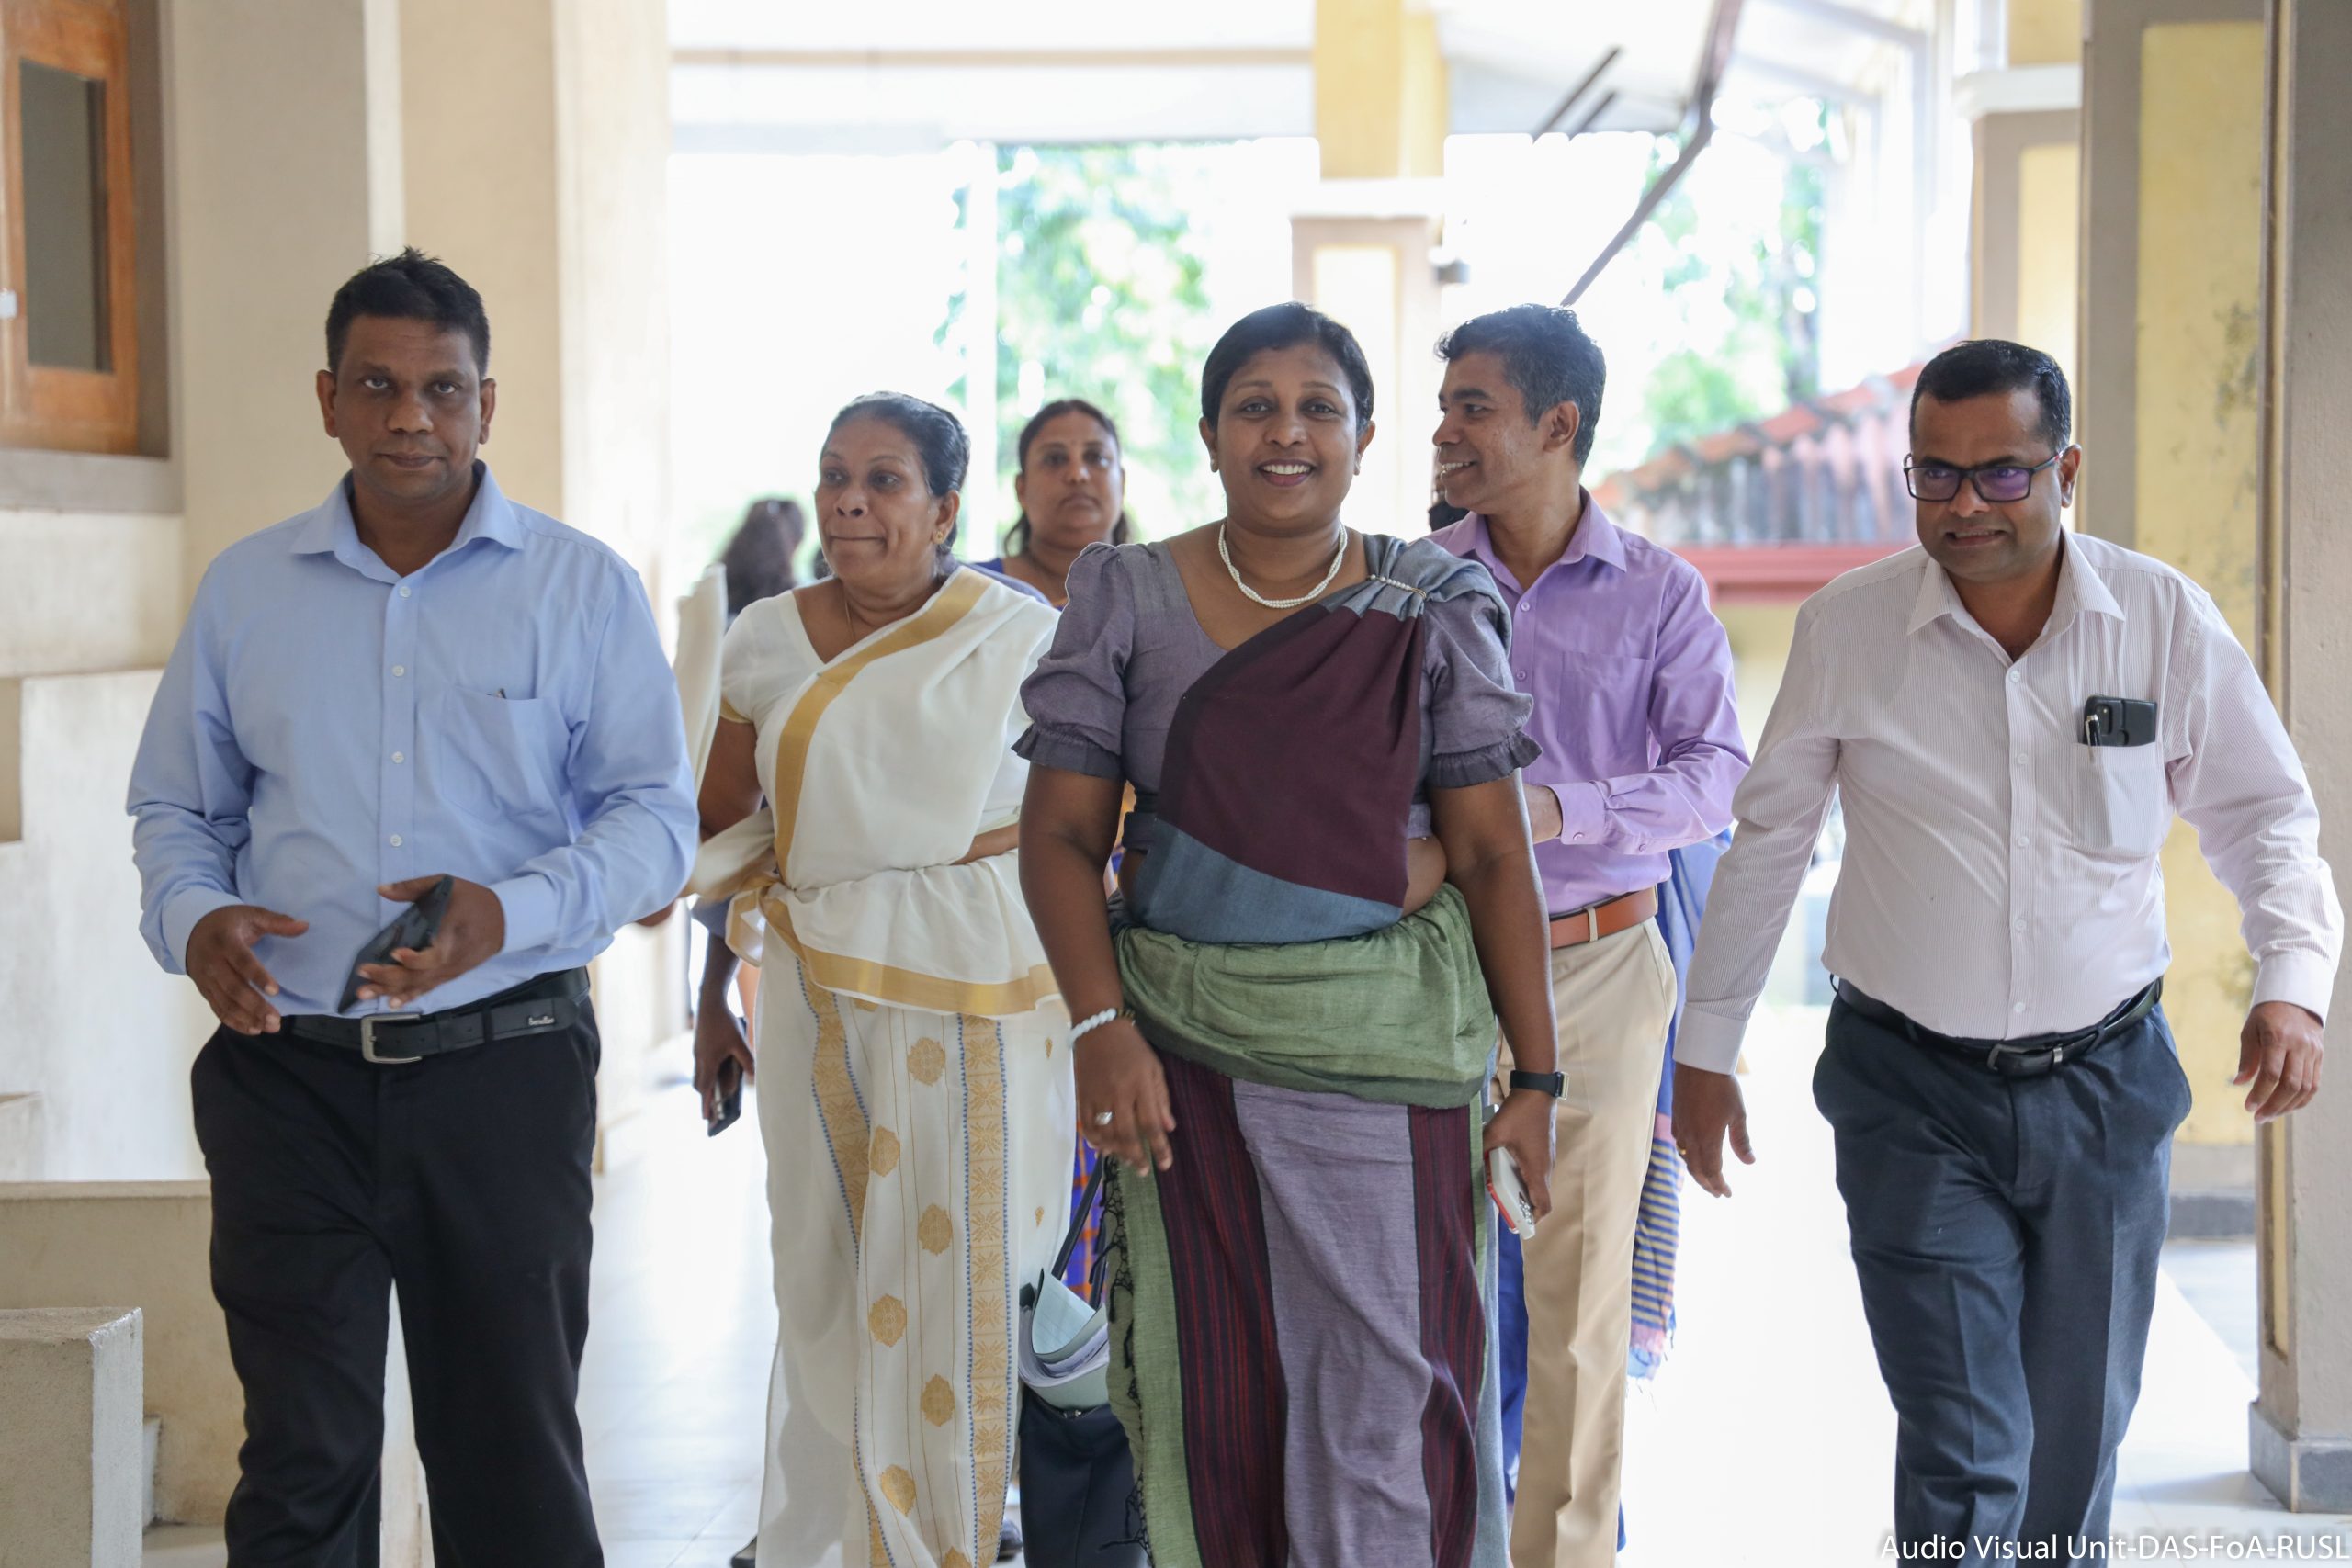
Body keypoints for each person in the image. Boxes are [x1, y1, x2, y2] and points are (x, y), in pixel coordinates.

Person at [1676, 339, 2341, 1562]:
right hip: (1909, 1091)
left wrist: (2293, 983)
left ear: (2064, 471)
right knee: (1964, 1439)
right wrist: (1705, 1046)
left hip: (2104, 1091)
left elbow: (2265, 814)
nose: (1965, 505)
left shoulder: (2160, 619)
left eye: (2001, 475)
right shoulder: (1849, 629)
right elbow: (1769, 839)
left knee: (2075, 1443)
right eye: (1935, 474)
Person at [126, 249, 697, 1565]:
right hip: (290, 1080)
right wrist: (195, 915)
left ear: (486, 404)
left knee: (509, 1462)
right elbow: (176, 808)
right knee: (302, 1460)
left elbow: (654, 822)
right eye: (377, 385)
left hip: (505, 1073)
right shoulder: (247, 591)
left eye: (443, 388)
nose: (410, 417)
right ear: (328, 398)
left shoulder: (580, 588)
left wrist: (513, 910)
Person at [1015, 301, 1560, 1567]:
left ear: (1364, 438)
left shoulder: (1430, 602)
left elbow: (1492, 853)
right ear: (1209, 435)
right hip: (1185, 1069)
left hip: (1388, 1070)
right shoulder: (1127, 596)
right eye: (1254, 406)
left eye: (1320, 407)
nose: (1287, 432)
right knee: (1228, 1407)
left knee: (1386, 1409)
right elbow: (1059, 839)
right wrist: (1099, 1027)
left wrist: (1537, 1078)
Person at [693, 392, 1076, 1568]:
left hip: (972, 987)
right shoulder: (763, 637)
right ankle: (838, 1537)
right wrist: (711, 993)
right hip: (814, 991)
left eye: (884, 480)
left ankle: (943, 1539)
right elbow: (726, 826)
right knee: (822, 1276)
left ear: (946, 508)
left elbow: (1082, 822)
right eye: (833, 476)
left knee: (956, 1279)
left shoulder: (1017, 637)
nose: (849, 502)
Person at [1428, 303, 1747, 1565]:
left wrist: (1567, 806)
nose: (1446, 431)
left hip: (1602, 965)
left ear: (1558, 425)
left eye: (1473, 407)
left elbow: (1716, 773)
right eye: (1445, 406)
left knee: (1574, 1307)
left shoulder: (1661, 593)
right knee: (1430, 1293)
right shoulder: (1407, 583)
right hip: (1439, 964)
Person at [978, 398, 1134, 605]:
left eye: (1096, 457)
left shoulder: (1163, 595)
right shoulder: (971, 593)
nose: (1077, 475)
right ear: (1021, 489)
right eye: (1055, 459)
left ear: (1122, 483)